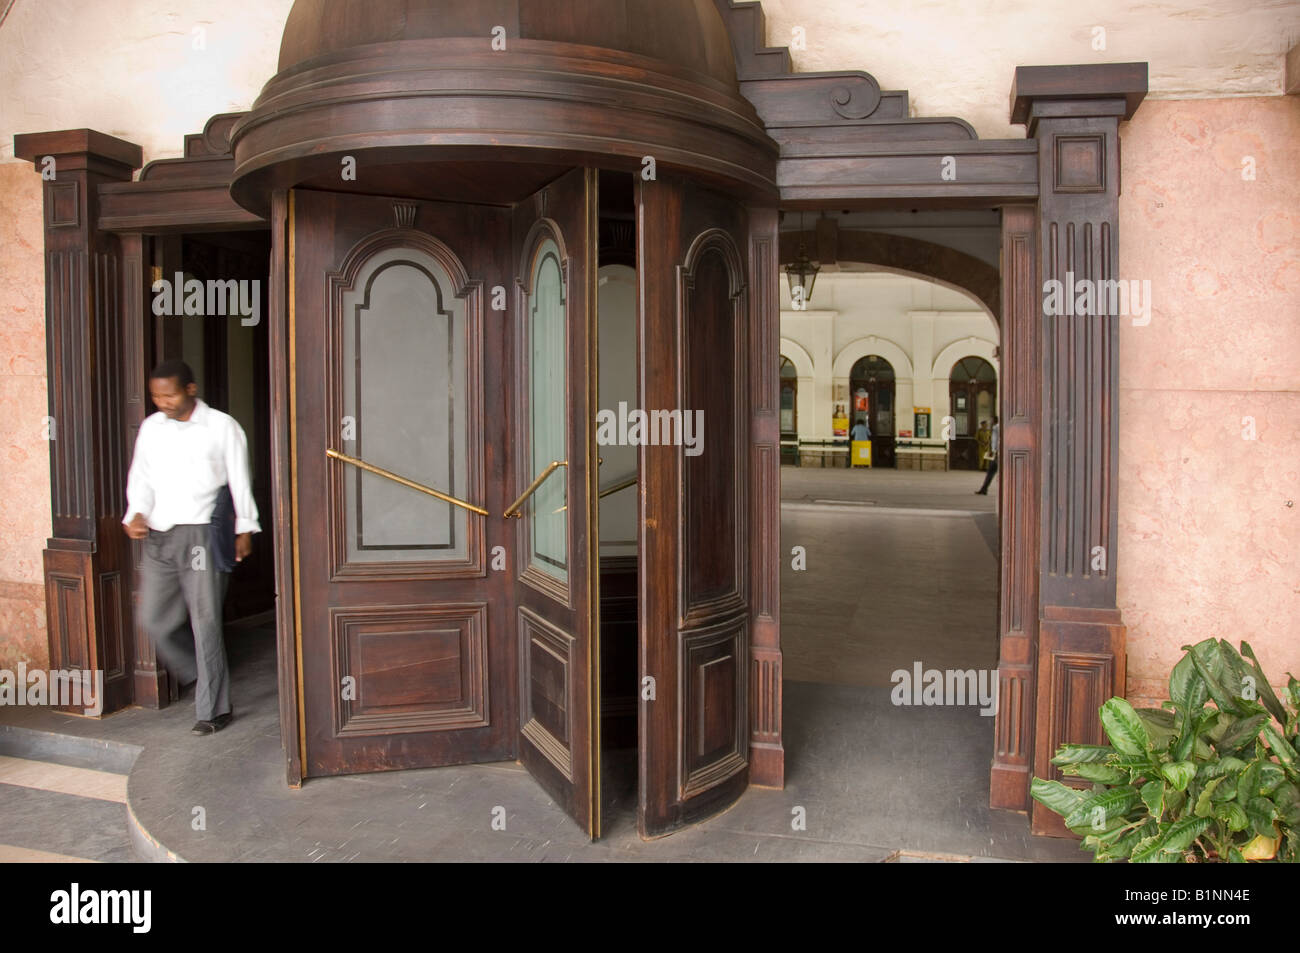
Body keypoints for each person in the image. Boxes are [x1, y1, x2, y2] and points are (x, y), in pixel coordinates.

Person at [121, 361, 260, 735]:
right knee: (154, 618)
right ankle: (205, 673)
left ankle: (213, 710)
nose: (162, 401)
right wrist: (135, 513)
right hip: (159, 533)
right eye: (156, 395)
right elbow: (141, 475)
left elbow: (239, 480)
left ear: (191, 390)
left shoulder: (221, 426)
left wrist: (244, 528)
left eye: (170, 394)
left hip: (201, 533)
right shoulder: (152, 428)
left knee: (206, 621)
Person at [975, 415, 999, 495]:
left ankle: (984, 489)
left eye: (991, 420)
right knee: (991, 471)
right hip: (999, 453)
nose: (990, 422)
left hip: (997, 454)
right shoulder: (1001, 427)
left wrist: (993, 450)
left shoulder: (996, 427)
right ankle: (984, 489)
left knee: (991, 471)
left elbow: (994, 440)